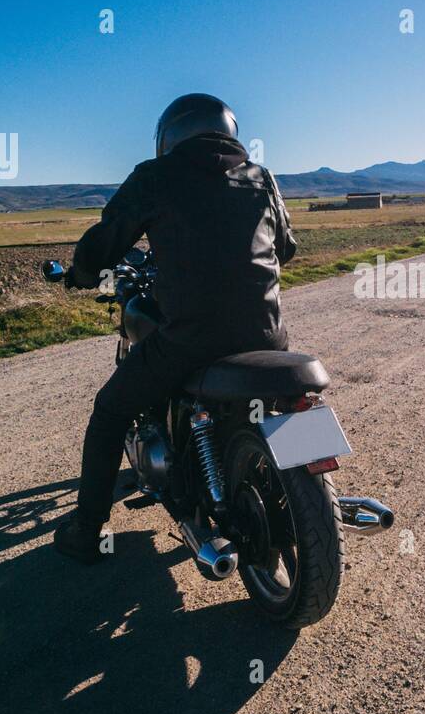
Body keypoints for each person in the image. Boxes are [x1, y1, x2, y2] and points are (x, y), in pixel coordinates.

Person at [54, 94, 296, 563]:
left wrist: (81, 273)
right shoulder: (260, 178)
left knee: (109, 412)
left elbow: (104, 244)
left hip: (189, 339)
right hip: (268, 336)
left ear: (170, 137)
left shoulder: (155, 176)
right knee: (288, 410)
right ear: (228, 131)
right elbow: (285, 248)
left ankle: (86, 531)